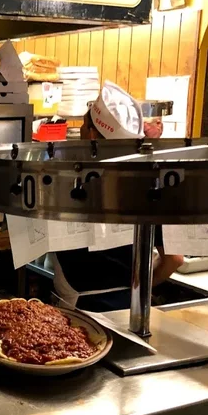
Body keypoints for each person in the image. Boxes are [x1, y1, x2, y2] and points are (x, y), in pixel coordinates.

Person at [52, 81, 184, 311]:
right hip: (133, 307)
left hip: (81, 309)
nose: (81, 132)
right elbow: (175, 259)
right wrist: (139, 287)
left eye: (83, 126)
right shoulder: (151, 184)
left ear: (91, 134)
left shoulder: (70, 183)